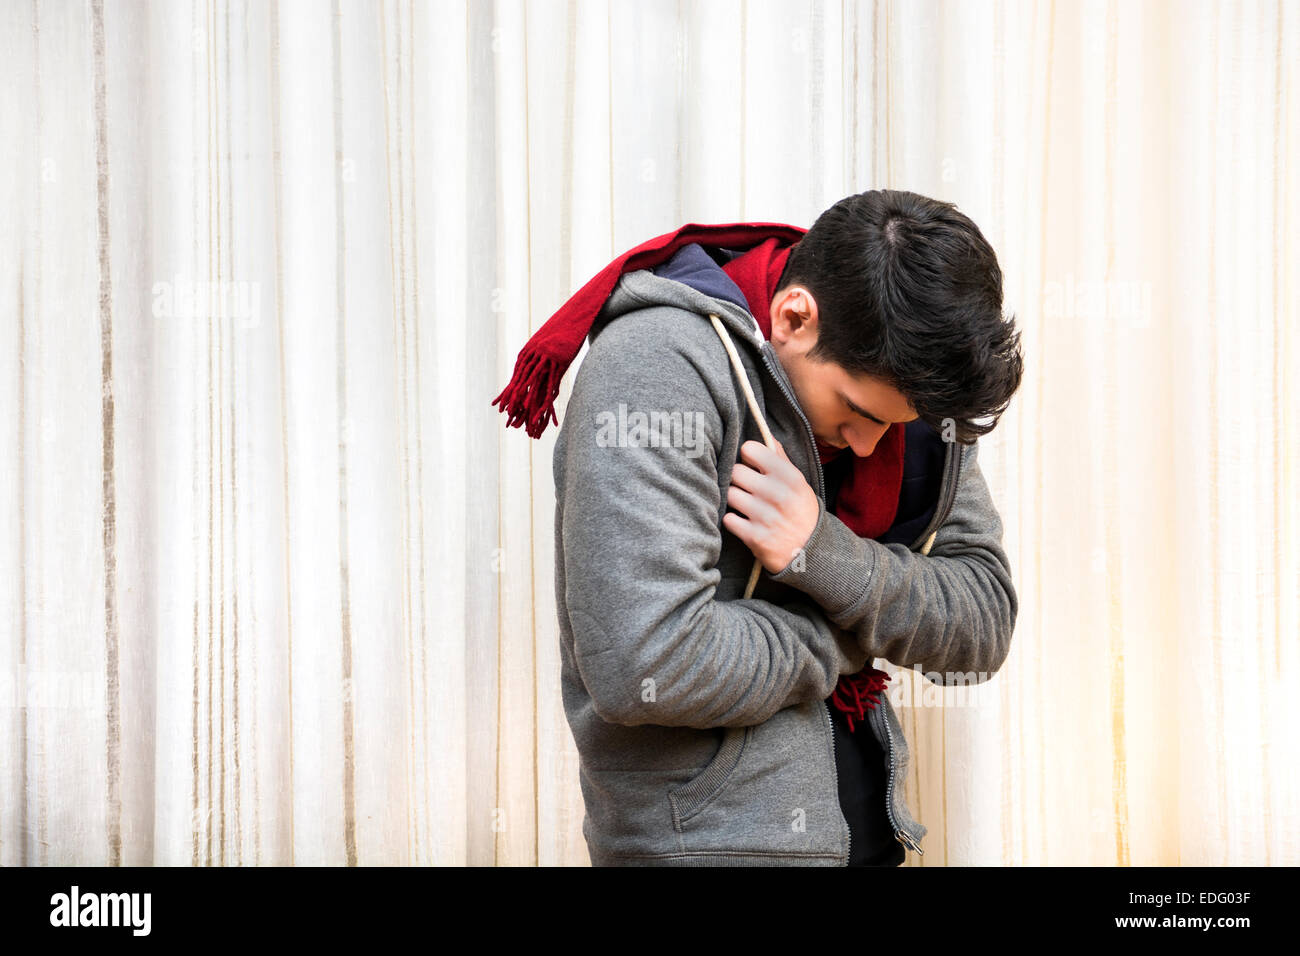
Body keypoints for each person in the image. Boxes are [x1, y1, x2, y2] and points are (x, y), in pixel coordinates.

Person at [492, 188, 1023, 866]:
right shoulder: (657, 366)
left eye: (894, 425)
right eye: (856, 410)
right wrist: (848, 636)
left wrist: (822, 553)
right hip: (711, 848)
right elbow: (646, 664)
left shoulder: (915, 386)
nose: (870, 446)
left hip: (872, 826)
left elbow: (982, 619)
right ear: (794, 317)